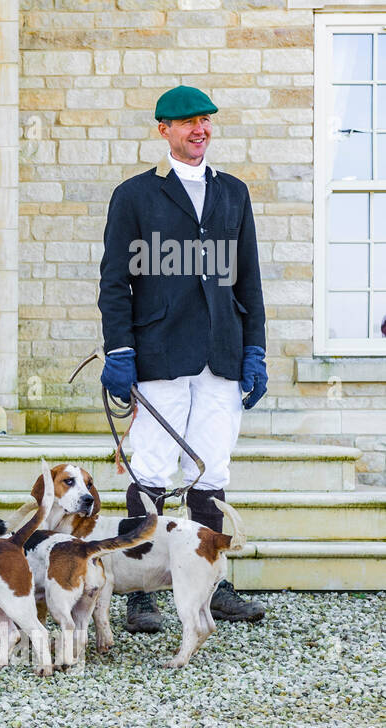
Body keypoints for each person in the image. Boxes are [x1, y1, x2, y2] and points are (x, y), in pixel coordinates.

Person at [97, 85, 267, 632]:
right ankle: (138, 589)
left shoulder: (234, 194)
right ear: (163, 129)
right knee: (149, 467)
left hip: (222, 352)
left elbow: (250, 281)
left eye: (206, 121)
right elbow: (114, 282)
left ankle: (210, 583)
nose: (200, 130)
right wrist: (120, 351)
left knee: (211, 471)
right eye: (188, 122)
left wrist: (255, 348)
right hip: (160, 352)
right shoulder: (135, 196)